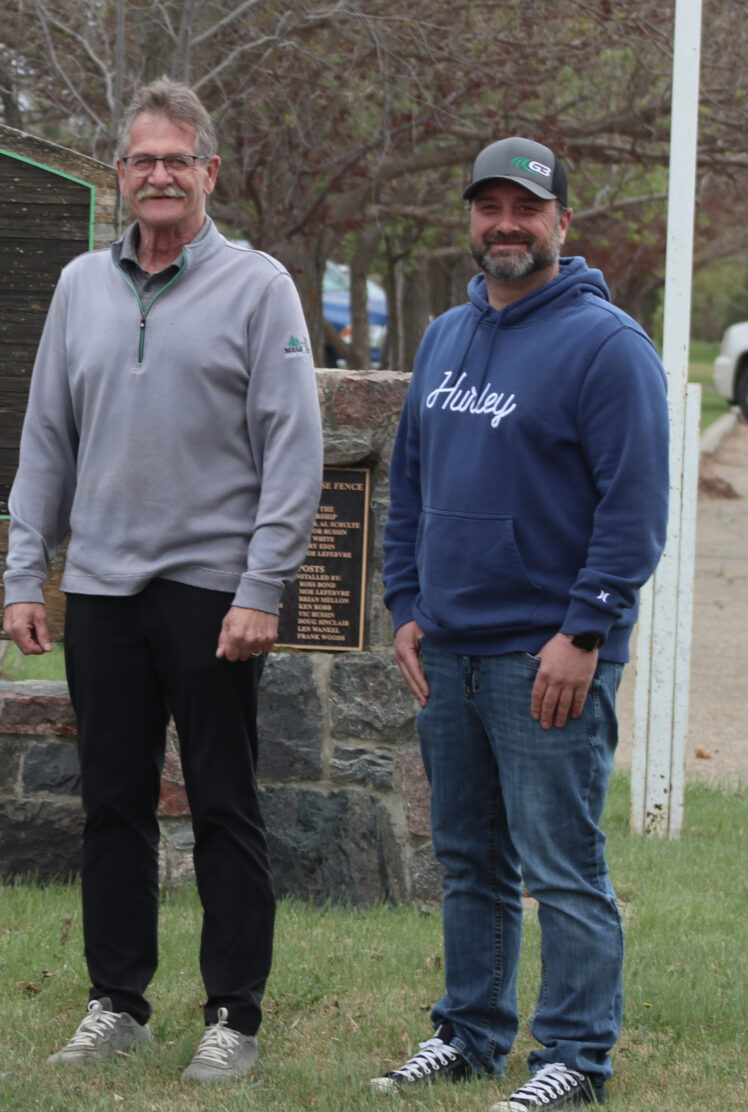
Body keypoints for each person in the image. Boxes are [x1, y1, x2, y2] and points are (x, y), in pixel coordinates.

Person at [2, 77, 323, 1084]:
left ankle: (234, 1013)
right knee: (112, 804)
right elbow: (46, 438)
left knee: (224, 801)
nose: (159, 176)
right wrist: (26, 569)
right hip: (100, 589)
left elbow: (294, 445)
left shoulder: (259, 287)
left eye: (177, 159)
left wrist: (263, 584)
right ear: (120, 175)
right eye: (142, 159)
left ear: (209, 172)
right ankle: (118, 1002)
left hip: (211, 592)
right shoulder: (79, 289)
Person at [374, 137, 669, 1111]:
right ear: (471, 217)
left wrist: (583, 633)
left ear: (561, 223)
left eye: (526, 208)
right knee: (468, 859)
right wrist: (406, 605)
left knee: (562, 861)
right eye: (489, 205)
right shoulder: (448, 338)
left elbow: (634, 510)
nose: (506, 223)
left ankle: (576, 1056)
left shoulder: (606, 346)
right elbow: (411, 480)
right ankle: (468, 1033)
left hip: (544, 656)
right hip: (449, 649)